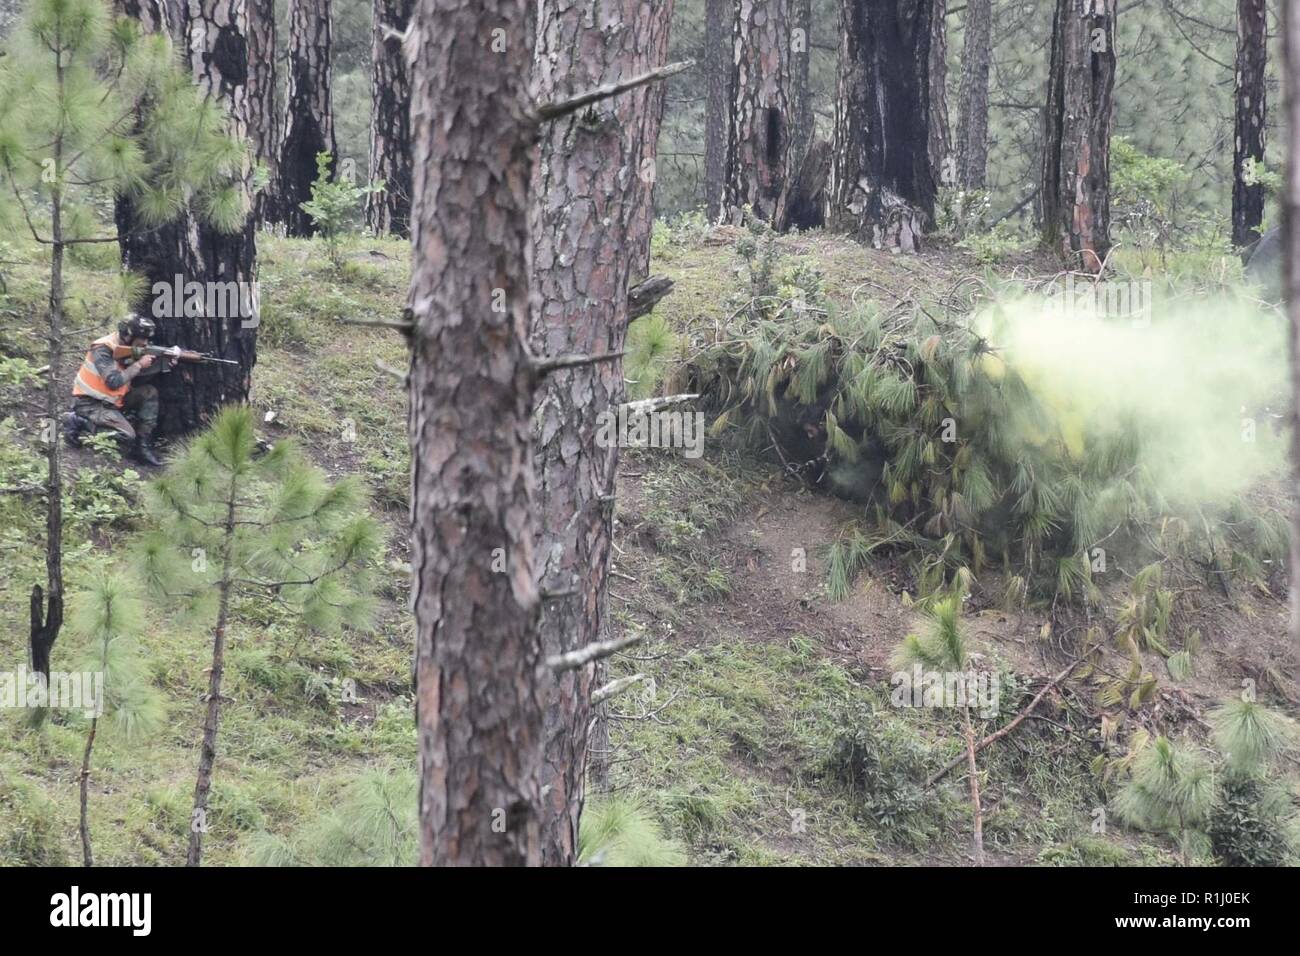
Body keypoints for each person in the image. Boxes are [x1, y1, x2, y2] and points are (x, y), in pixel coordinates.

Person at [63, 314, 177, 466]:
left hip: (113, 401)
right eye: (141, 338)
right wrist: (139, 365)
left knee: (149, 392)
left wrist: (163, 365)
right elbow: (114, 382)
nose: (145, 343)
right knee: (125, 436)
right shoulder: (103, 348)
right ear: (127, 335)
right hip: (89, 403)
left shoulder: (129, 349)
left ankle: (142, 447)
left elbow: (135, 378)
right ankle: (78, 421)